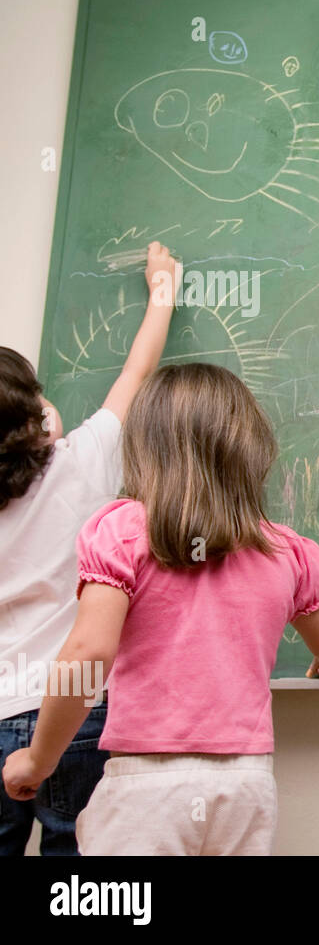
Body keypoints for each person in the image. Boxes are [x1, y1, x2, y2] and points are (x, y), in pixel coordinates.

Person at [1, 363, 319, 855]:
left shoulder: (122, 533)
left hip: (147, 782)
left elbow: (87, 652)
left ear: (145, 447)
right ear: (249, 449)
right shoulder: (286, 551)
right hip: (245, 786)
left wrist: (39, 760)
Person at [0, 241, 177, 855]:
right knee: (79, 859)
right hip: (72, 711)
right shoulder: (79, 464)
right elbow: (136, 373)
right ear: (34, 414)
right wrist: (162, 290)